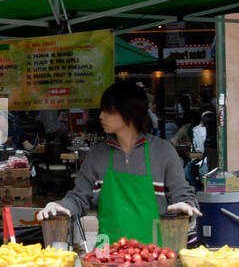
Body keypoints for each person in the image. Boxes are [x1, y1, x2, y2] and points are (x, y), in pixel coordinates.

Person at [38, 80, 199, 245]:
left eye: (108, 111)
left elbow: (183, 193)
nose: (101, 116)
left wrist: (185, 206)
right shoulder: (97, 155)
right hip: (107, 258)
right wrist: (60, 206)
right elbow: (79, 197)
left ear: (129, 112)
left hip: (155, 258)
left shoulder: (163, 152)